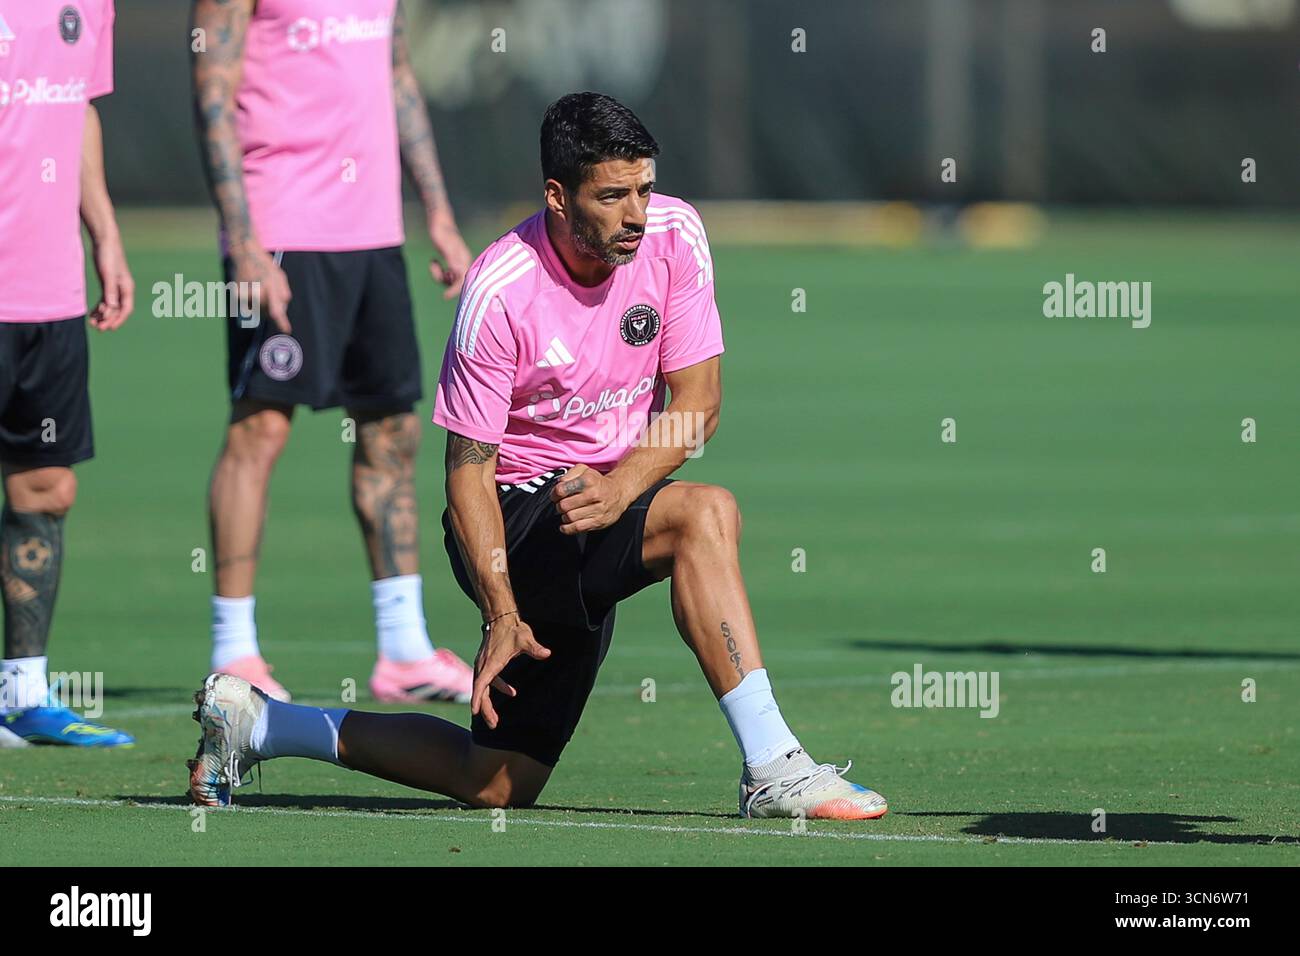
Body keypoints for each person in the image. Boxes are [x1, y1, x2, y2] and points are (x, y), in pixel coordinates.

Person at [188, 92, 888, 820]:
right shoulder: (500, 289)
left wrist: (620, 490)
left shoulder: (677, 234)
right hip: (515, 520)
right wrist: (500, 609)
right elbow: (466, 472)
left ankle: (259, 723)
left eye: (643, 188)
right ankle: (774, 765)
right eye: (612, 196)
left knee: (496, 781)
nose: (636, 214)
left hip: (609, 501)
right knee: (704, 514)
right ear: (557, 196)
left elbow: (699, 403)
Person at [190, 0, 474, 703]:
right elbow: (211, 94)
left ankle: (404, 649)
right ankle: (235, 651)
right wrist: (244, 241)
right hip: (282, 223)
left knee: (393, 429)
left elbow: (399, 75)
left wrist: (436, 211)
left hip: (372, 232)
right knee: (261, 427)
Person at [0, 1, 134, 746]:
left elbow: (77, 108)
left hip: (48, 293)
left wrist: (104, 234)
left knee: (46, 485)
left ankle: (21, 693)